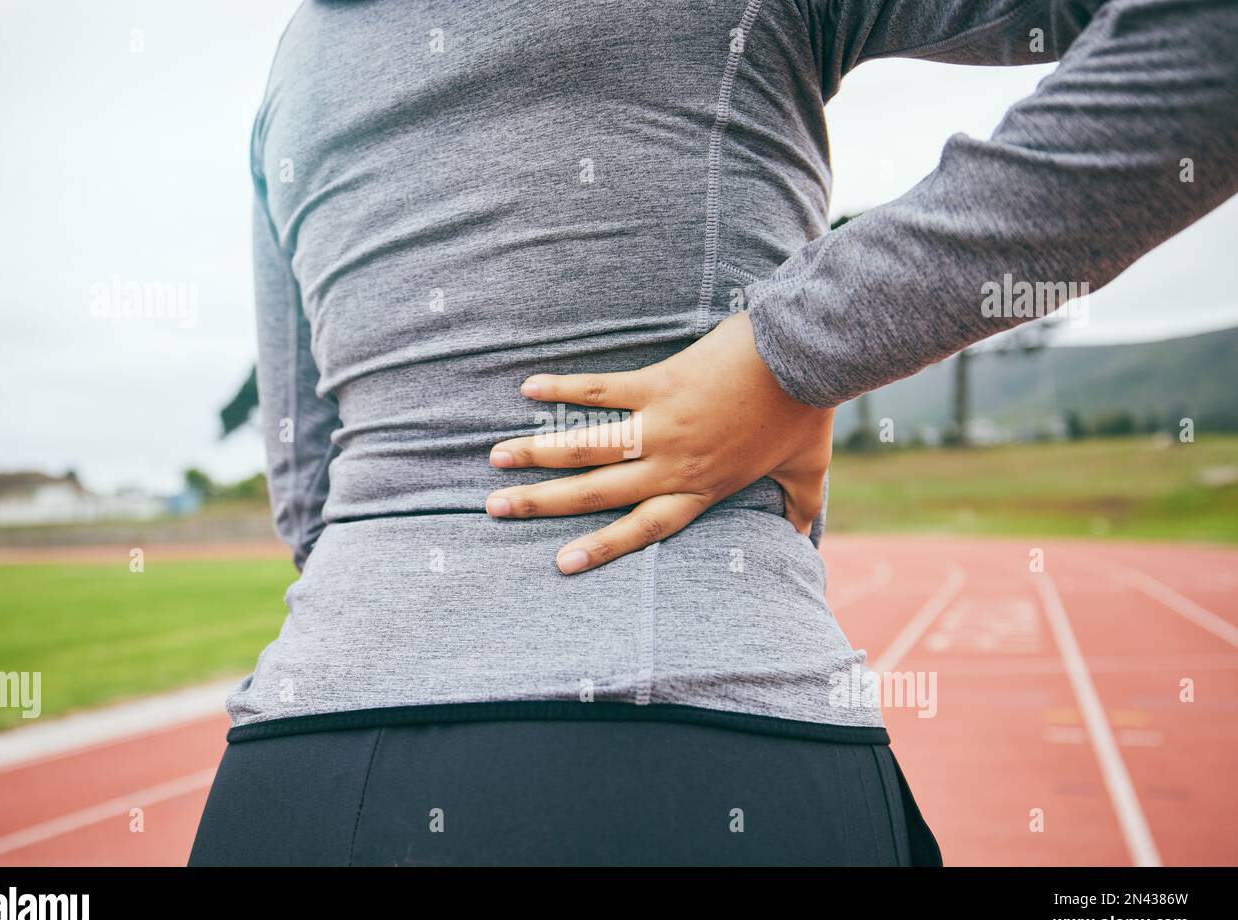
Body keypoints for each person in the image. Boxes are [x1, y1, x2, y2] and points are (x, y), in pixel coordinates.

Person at [189, 0, 1237, 865]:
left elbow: (305, 481)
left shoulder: (295, 62)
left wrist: (784, 362)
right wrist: (789, 357)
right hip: (699, 748)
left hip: (295, 774)